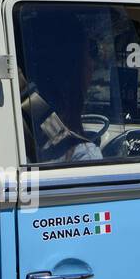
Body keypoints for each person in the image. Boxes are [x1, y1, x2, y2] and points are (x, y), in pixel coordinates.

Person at [19, 9, 103, 163]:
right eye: (90, 50)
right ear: (73, 69)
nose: (93, 64)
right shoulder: (82, 156)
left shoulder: (22, 118)